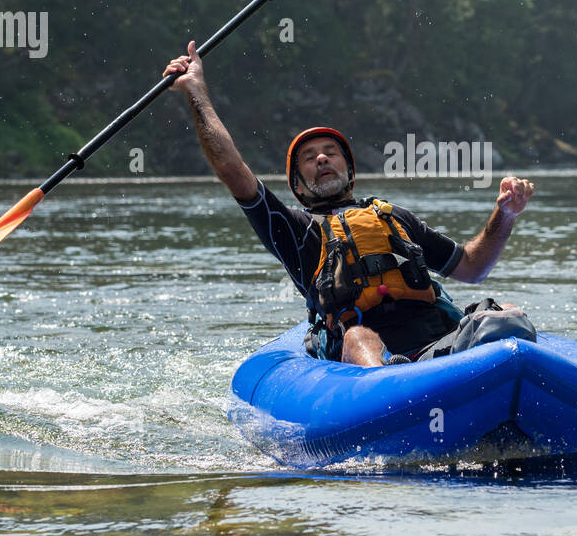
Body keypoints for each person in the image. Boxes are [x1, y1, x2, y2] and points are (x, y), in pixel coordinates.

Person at [162, 41, 536, 367]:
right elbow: (232, 169)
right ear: (298, 187)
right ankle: (394, 394)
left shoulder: (392, 217)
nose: (322, 159)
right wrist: (196, 90)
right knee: (359, 338)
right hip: (367, 352)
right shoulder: (293, 228)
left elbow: (472, 267)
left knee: (507, 316)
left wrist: (504, 215)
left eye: (330, 153)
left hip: (437, 340)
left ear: (350, 171)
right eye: (309, 158)